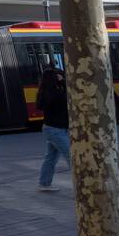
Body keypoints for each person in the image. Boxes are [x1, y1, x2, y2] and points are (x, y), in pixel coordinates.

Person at [36, 59, 71, 192]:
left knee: (51, 157)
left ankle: (44, 183)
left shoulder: (44, 92)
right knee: (71, 156)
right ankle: (81, 185)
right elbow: (70, 96)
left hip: (49, 128)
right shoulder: (57, 93)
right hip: (57, 130)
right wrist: (63, 82)